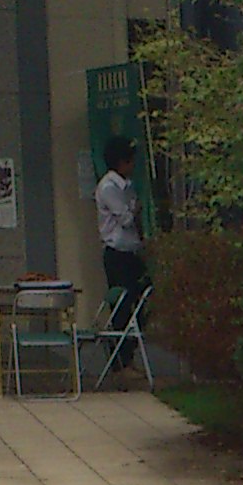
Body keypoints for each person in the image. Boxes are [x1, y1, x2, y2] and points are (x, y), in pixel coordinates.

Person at [94, 134, 148, 346]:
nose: (133, 165)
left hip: (132, 252)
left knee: (144, 297)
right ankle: (120, 361)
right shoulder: (109, 187)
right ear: (120, 162)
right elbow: (126, 218)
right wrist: (135, 209)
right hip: (117, 254)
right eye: (130, 161)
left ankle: (133, 348)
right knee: (121, 307)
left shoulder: (128, 185)